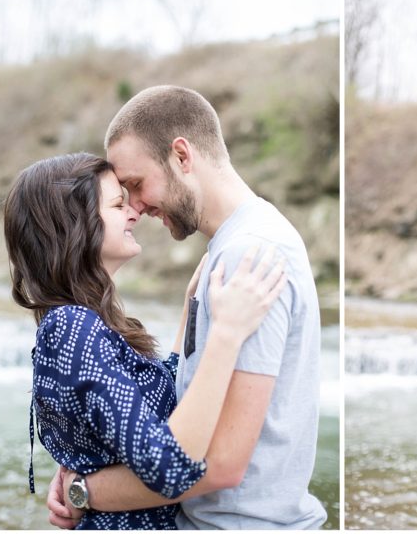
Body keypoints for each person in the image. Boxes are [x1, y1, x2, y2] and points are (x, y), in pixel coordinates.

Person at [47, 86, 328, 529]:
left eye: (136, 185)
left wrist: (86, 490)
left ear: (181, 156)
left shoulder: (248, 254)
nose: (136, 205)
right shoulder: (227, 250)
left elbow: (221, 465)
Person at [4, 153, 285, 529]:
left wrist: (191, 312)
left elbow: (147, 412)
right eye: (118, 204)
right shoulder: (72, 327)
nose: (134, 211)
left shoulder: (83, 323)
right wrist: (227, 333)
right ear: (75, 226)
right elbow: (169, 468)